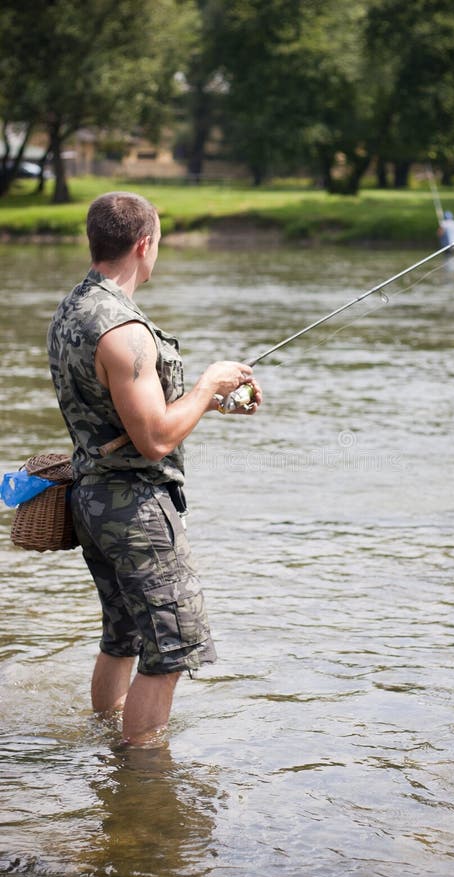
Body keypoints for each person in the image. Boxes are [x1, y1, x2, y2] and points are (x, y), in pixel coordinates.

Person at [47, 191, 262, 746]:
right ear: (144, 244)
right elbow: (156, 437)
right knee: (170, 651)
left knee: (122, 636)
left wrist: (208, 403)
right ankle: (141, 779)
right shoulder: (124, 331)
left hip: (92, 501)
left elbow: (124, 415)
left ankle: (105, 743)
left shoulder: (72, 308)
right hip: (135, 510)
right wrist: (210, 383)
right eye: (158, 242)